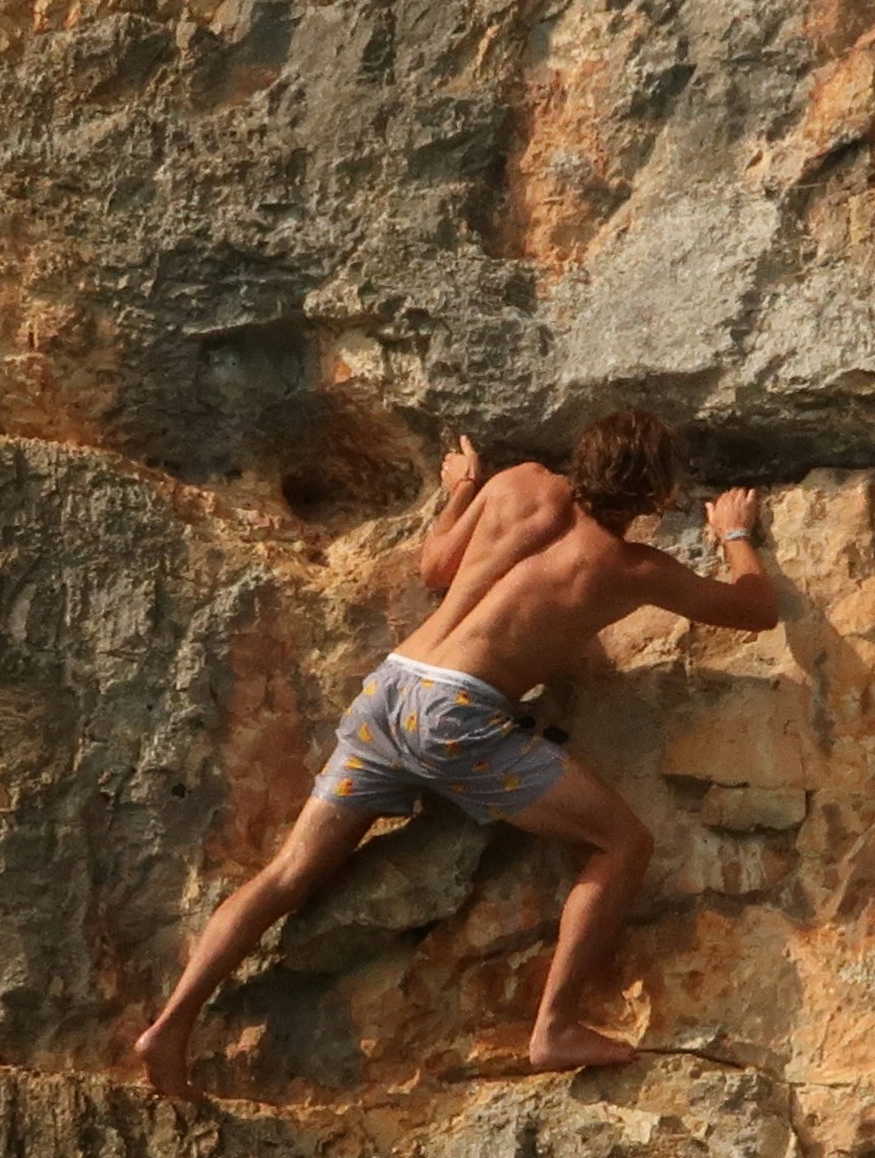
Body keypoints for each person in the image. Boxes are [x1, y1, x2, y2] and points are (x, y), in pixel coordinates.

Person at [133, 409, 780, 1097]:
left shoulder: (519, 483)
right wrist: (734, 534)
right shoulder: (631, 568)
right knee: (622, 843)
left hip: (391, 690)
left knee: (290, 870)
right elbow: (755, 609)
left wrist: (461, 490)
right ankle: (554, 1026)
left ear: (581, 458)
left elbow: (433, 565)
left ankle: (170, 1024)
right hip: (456, 717)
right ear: (657, 497)